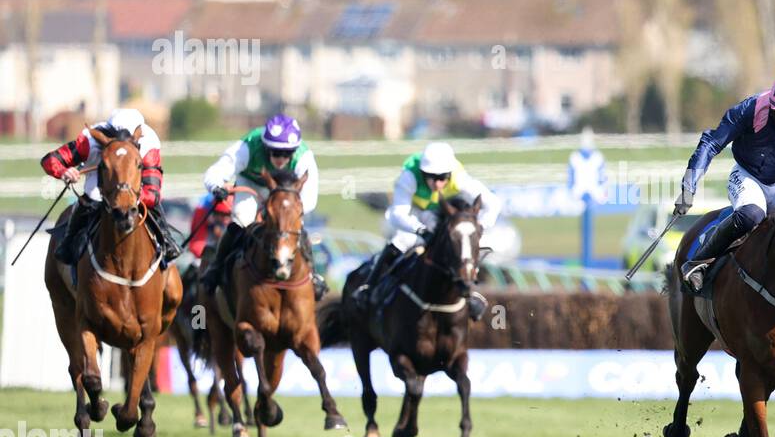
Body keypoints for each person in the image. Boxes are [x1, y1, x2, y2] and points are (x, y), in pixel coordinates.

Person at [676, 71, 775, 290]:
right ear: (773, 109)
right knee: (751, 215)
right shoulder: (751, 110)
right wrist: (688, 188)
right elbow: (711, 143)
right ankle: (699, 261)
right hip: (748, 175)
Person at [353, 141, 501, 319]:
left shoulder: (460, 178)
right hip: (415, 215)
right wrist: (420, 230)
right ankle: (368, 288)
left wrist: (479, 228)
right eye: (432, 177)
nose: (438, 183)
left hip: (445, 216)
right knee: (401, 241)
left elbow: (493, 204)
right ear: (423, 173)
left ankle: (473, 295)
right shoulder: (409, 177)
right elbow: (397, 214)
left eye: (442, 177)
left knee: (466, 247)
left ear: (449, 173)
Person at [40, 107, 182, 271]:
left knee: (153, 205)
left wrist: (127, 195)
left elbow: (152, 193)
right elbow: (50, 160)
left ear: (138, 135)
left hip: (135, 189)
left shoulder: (149, 143)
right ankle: (68, 243)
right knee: (87, 201)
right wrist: (64, 172)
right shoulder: (89, 140)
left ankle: (166, 239)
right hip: (100, 184)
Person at [200, 114, 325, 298]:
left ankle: (313, 276)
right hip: (252, 184)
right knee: (241, 220)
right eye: (276, 152)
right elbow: (216, 171)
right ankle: (216, 267)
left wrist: (284, 212)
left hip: (286, 194)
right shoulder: (248, 146)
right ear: (266, 147)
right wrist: (216, 186)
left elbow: (310, 199)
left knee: (295, 227)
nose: (281, 158)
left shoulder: (304, 157)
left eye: (287, 153)